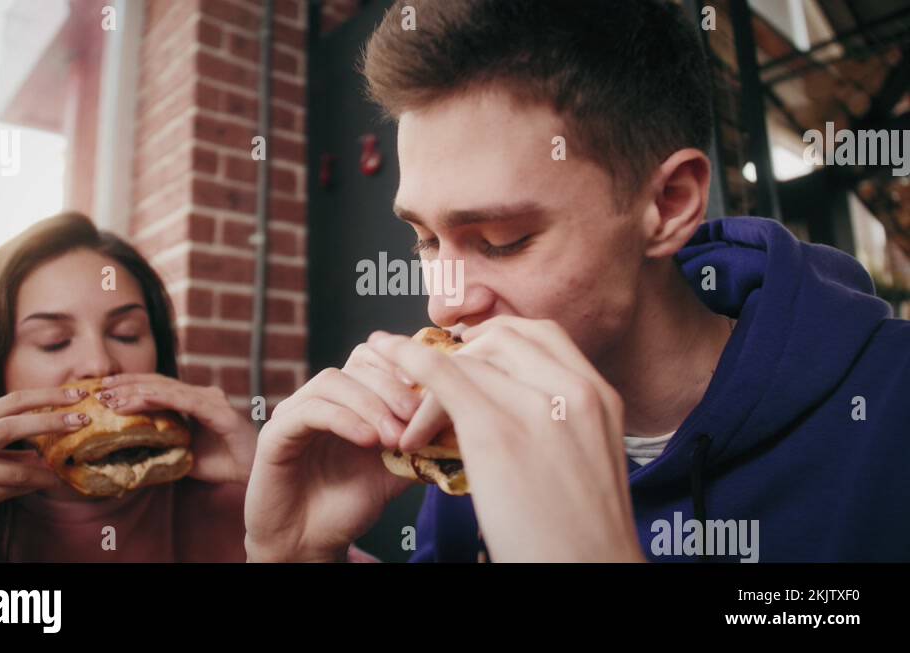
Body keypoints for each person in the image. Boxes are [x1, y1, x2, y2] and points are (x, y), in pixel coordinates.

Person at [244, 0, 910, 562]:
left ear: (670, 203)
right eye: (423, 238)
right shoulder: (474, 440)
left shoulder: (888, 411)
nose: (444, 300)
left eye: (503, 240)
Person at [0, 212, 256, 562]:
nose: (99, 364)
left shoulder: (238, 501)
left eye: (126, 334)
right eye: (54, 341)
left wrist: (272, 477)